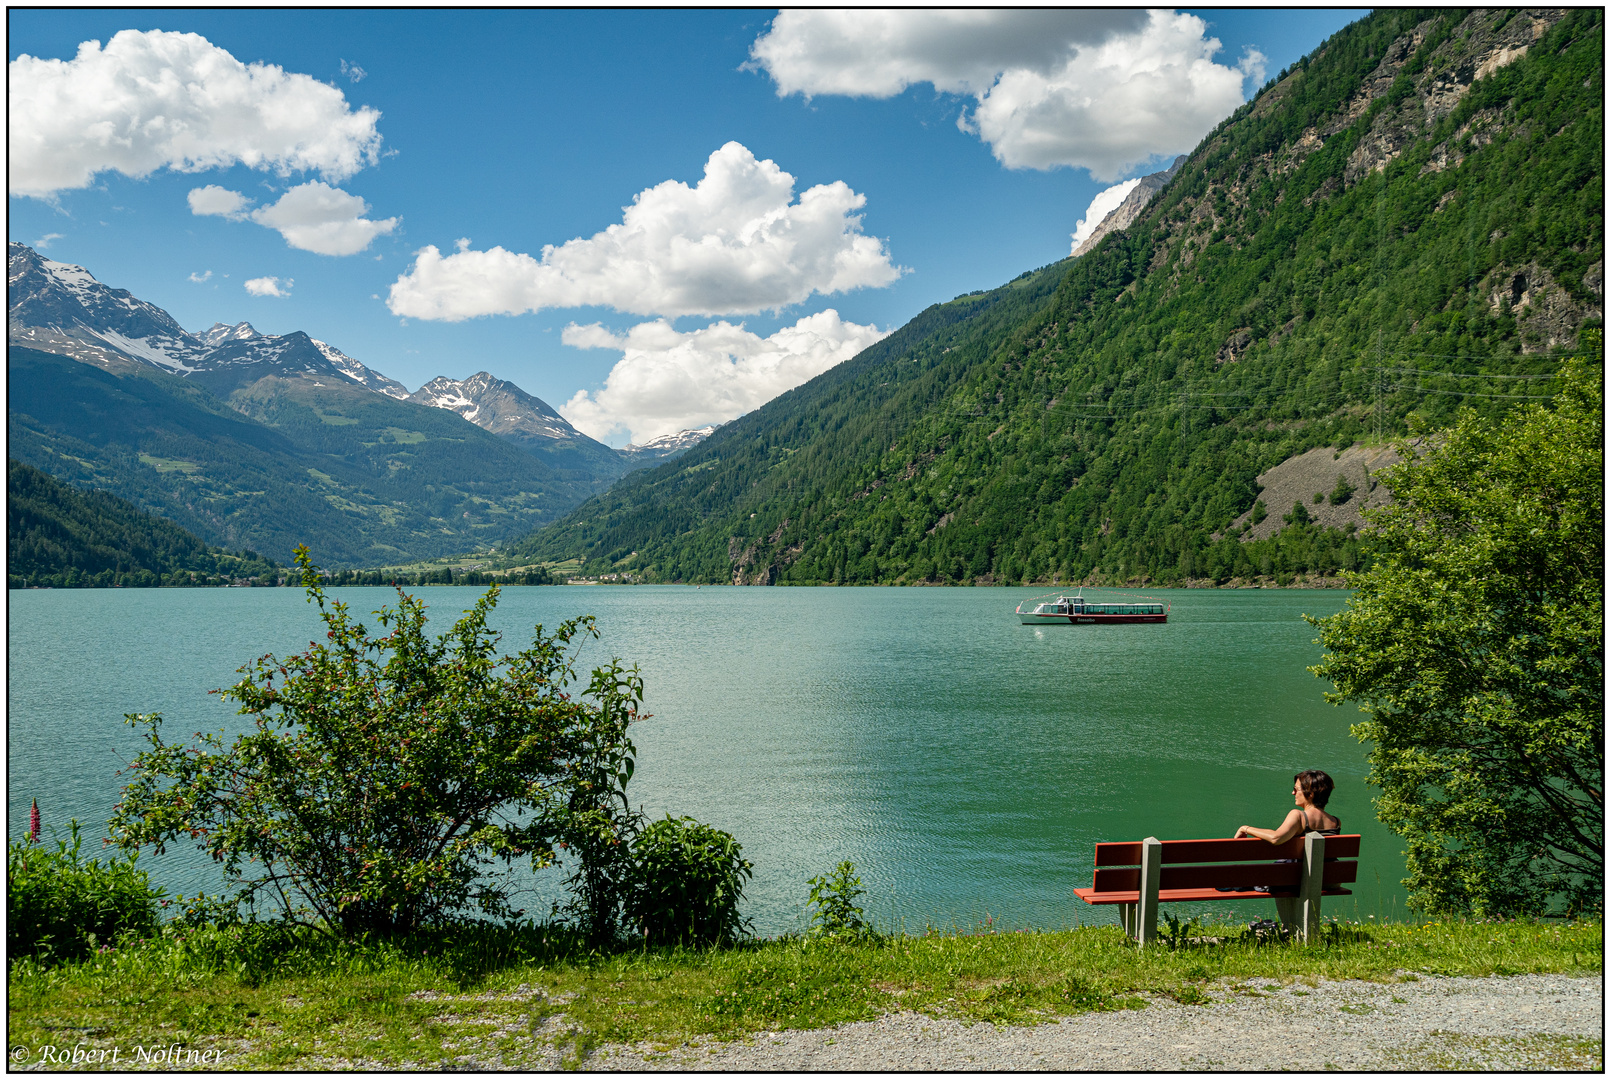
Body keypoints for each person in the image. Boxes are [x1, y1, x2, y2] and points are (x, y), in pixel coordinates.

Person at [1234, 769, 1340, 844]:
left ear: (1310, 794)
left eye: (1296, 789)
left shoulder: (1299, 816)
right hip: (1326, 875)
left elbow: (1276, 838)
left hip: (1297, 874)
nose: (1293, 793)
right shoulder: (1335, 822)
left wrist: (1245, 828)